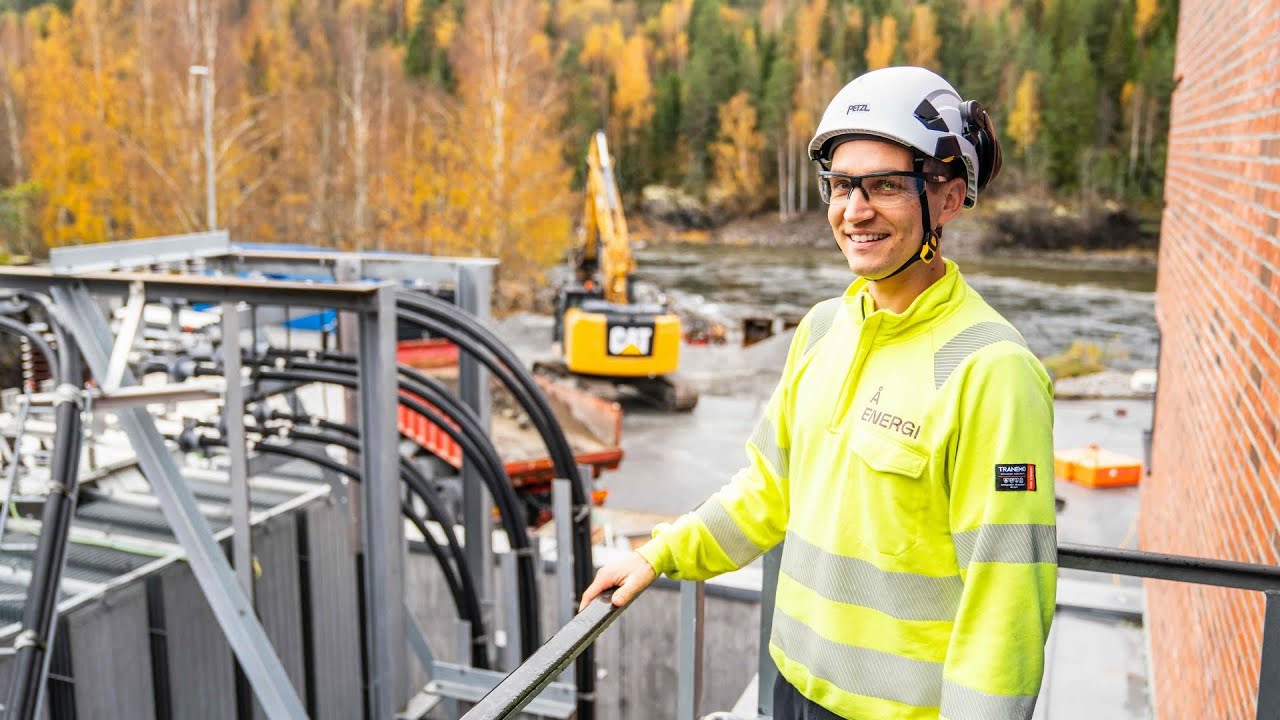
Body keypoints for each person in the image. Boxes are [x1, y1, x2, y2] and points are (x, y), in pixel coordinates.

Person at [579, 65, 1057, 720]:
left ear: (948, 198)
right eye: (840, 185)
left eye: (886, 185)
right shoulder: (824, 329)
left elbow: (1007, 601)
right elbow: (766, 492)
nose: (853, 210)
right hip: (789, 689)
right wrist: (659, 554)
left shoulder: (991, 371)